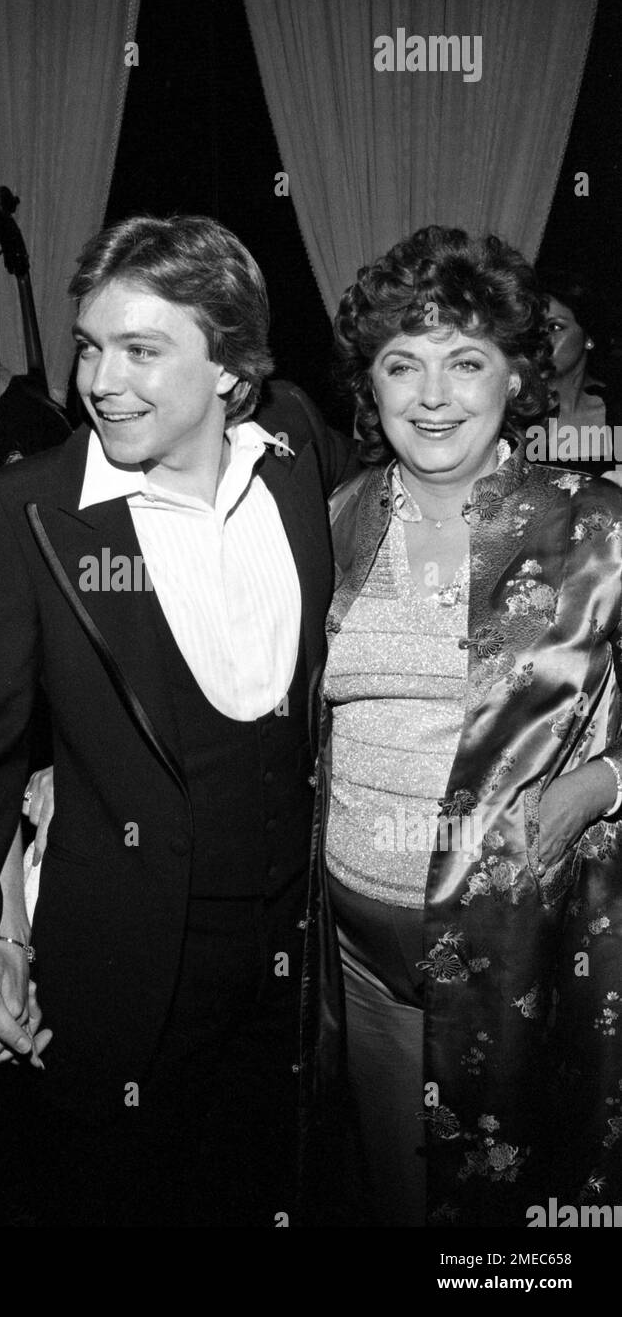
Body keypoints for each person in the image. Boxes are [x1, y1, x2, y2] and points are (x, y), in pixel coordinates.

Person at [0, 214, 358, 1227]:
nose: (100, 381)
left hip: (300, 971)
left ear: (231, 368)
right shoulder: (29, 510)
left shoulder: (298, 452)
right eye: (90, 347)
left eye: (141, 351)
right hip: (124, 974)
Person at [322, 225, 622, 1226]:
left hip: (525, 946)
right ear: (370, 385)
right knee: (396, 1195)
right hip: (356, 953)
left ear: (516, 375)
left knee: (509, 1216)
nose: (432, 395)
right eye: (401, 364)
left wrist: (599, 786)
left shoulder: (595, 522)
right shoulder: (335, 518)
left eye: (464, 361)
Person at [527, 268, 621, 477]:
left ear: (588, 336)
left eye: (554, 327)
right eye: (532, 329)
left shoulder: (616, 411)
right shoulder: (510, 414)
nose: (540, 340)